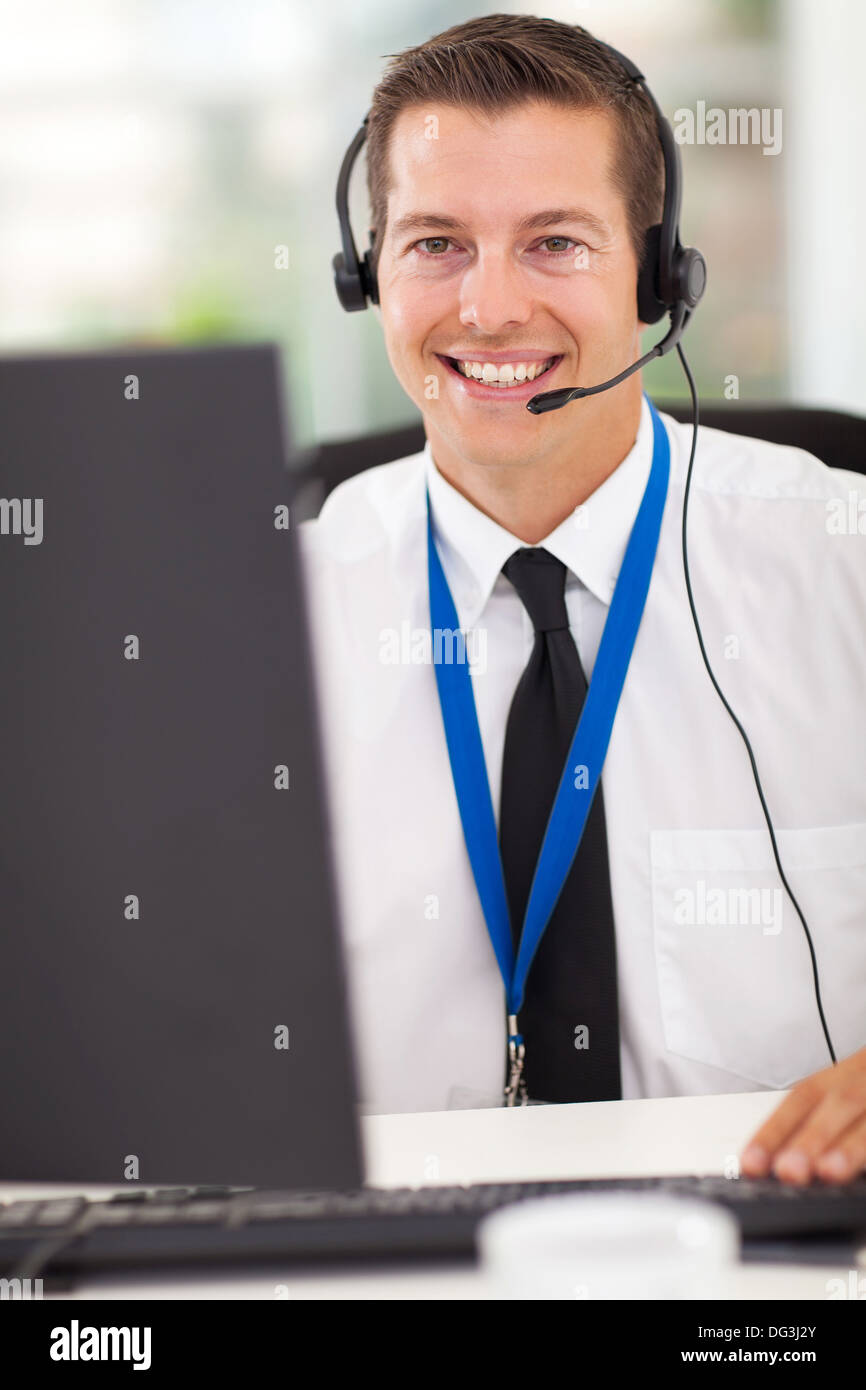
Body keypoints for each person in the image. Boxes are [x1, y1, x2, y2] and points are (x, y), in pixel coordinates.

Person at [299, 14, 866, 1186]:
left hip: (778, 1274)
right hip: (382, 1266)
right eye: (435, 243)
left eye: (554, 242)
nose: (490, 308)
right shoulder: (252, 623)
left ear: (661, 276)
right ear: (368, 277)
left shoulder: (841, 562)